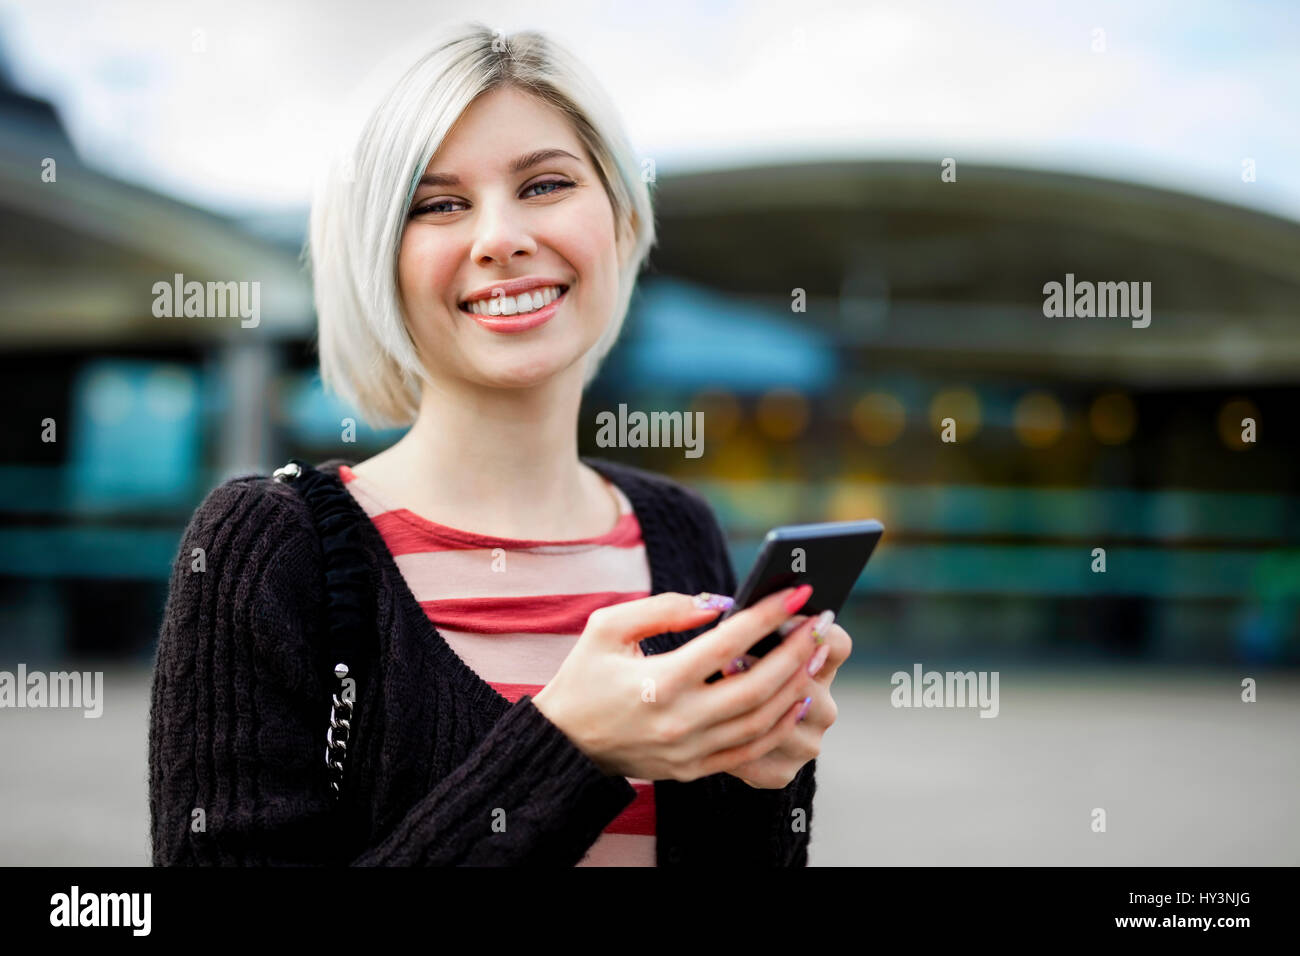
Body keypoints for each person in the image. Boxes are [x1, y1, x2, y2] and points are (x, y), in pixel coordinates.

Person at [148, 21, 852, 867]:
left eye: (546, 184)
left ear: (622, 220)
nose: (500, 238)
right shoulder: (263, 550)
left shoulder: (680, 530)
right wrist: (566, 749)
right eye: (440, 204)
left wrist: (764, 782)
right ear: (379, 260)